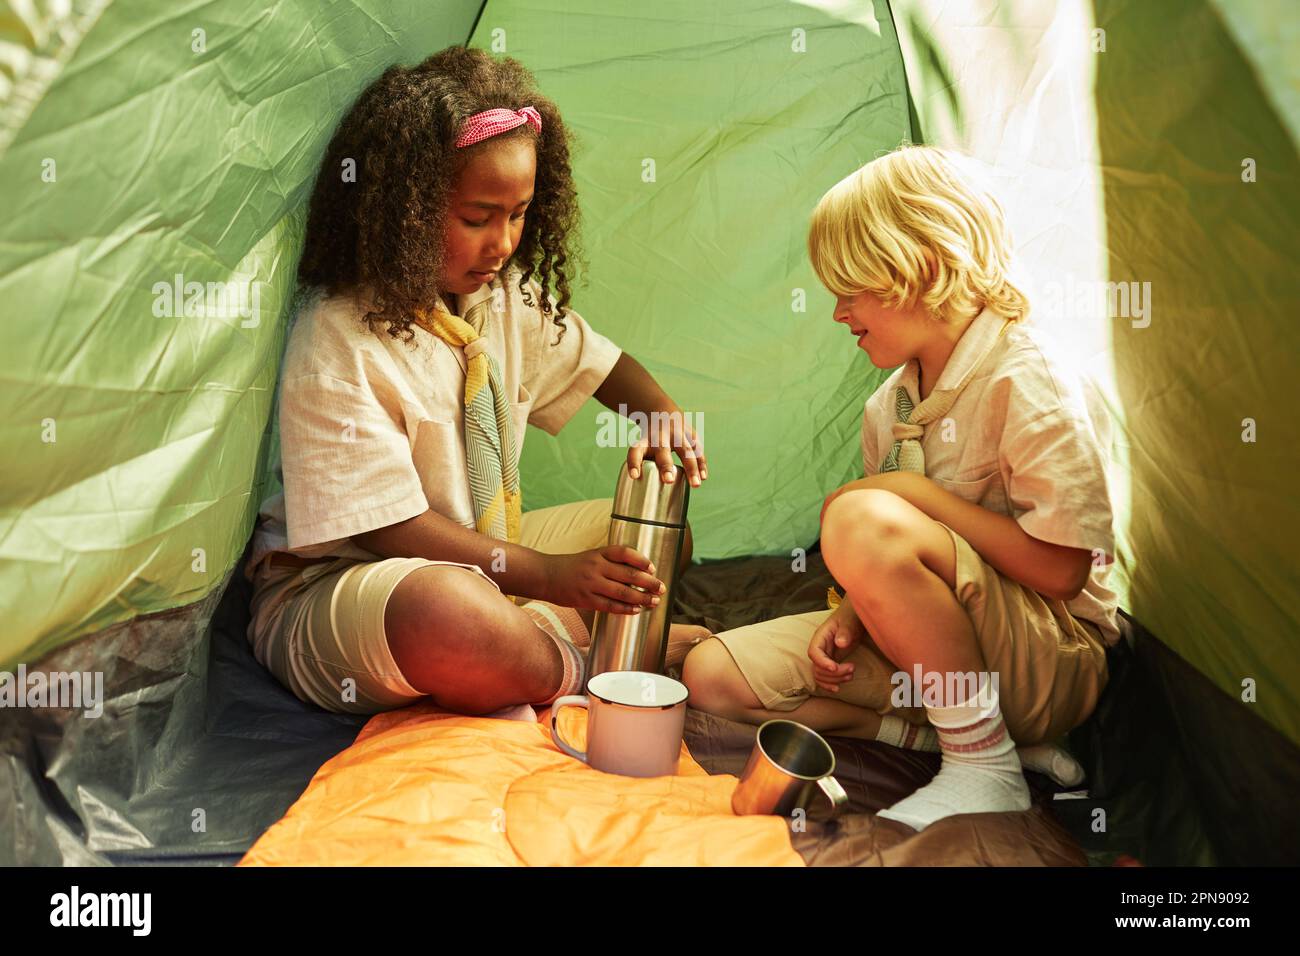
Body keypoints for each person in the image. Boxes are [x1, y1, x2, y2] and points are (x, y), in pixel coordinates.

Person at [246, 46, 709, 717]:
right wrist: (549, 576)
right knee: (449, 613)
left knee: (653, 538)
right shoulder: (338, 333)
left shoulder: (501, 298)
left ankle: (527, 644)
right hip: (349, 587)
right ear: (404, 209)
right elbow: (393, 531)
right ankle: (586, 666)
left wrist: (663, 421)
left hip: (486, 566)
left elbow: (607, 368)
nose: (503, 243)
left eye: (519, 214)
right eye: (477, 218)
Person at [683, 145, 1119, 830]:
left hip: (1046, 662)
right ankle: (963, 742)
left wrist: (916, 500)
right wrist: (852, 616)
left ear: (923, 269)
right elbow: (898, 561)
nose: (836, 314)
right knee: (710, 676)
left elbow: (1064, 572)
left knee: (857, 515)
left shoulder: (1026, 379)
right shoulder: (889, 409)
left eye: (849, 291)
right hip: (939, 666)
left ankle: (983, 767)